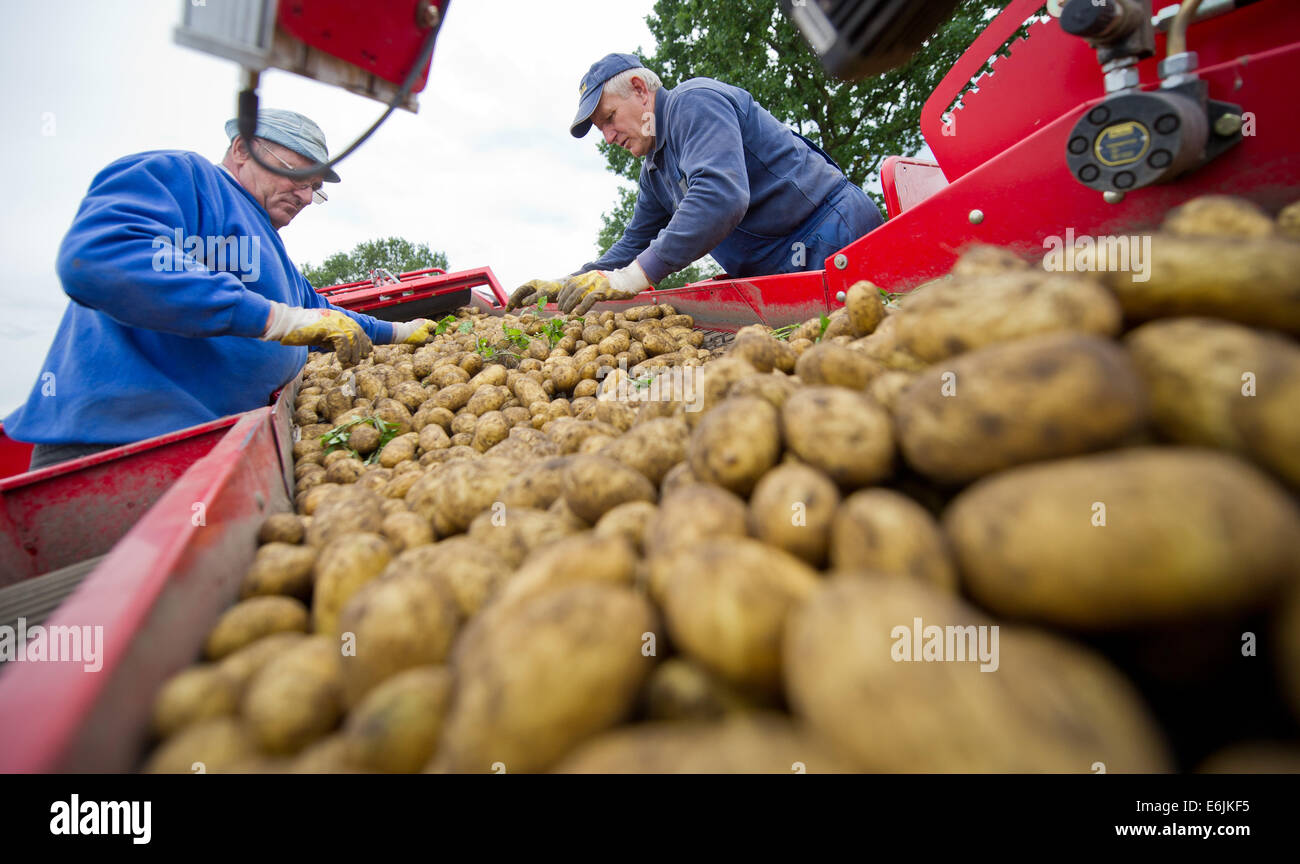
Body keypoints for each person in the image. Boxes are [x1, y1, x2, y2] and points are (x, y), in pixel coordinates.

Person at [4, 109, 436, 470]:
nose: (306, 196)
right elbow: (100, 256)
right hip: (115, 448)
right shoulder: (184, 178)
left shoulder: (276, 254)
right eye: (298, 174)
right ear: (243, 148)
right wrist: (274, 319)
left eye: (315, 189)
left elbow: (324, 316)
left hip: (212, 454)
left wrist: (402, 332)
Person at [510, 53, 884, 316]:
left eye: (609, 118)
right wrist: (570, 281)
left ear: (640, 89)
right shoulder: (655, 169)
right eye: (600, 130)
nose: (608, 137)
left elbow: (720, 197)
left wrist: (631, 278)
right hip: (781, 271)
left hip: (831, 238)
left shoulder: (694, 103)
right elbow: (634, 242)